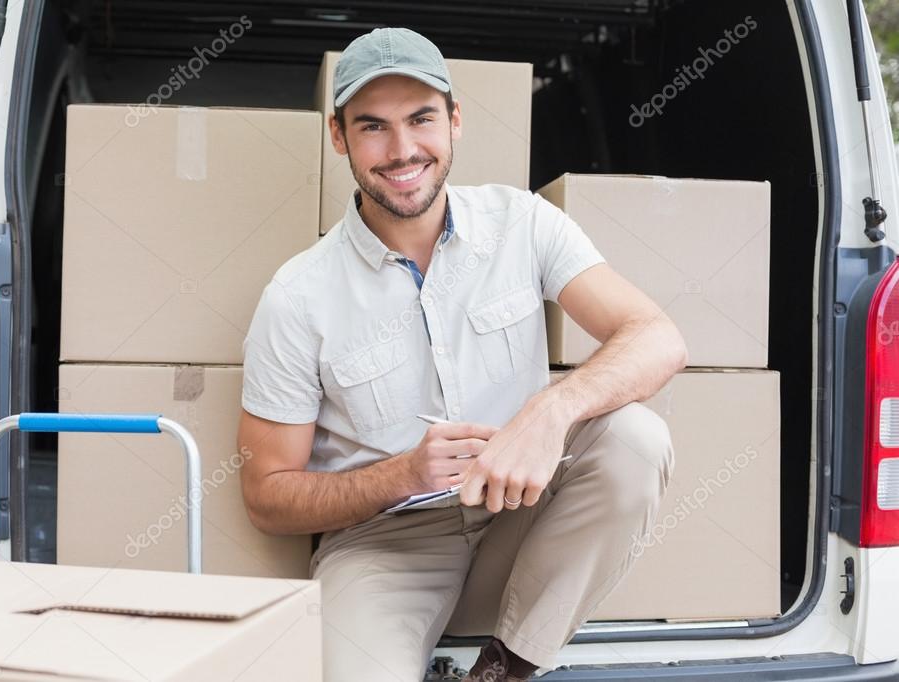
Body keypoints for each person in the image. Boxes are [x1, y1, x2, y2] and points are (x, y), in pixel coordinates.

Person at [238, 26, 686, 682]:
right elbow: (266, 496)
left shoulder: (522, 223)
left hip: (521, 512)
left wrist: (549, 411)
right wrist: (401, 476)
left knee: (635, 438)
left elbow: (656, 337)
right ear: (338, 138)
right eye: (372, 127)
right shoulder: (296, 296)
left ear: (453, 121)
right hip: (385, 547)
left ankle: (505, 668)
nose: (401, 150)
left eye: (420, 119)